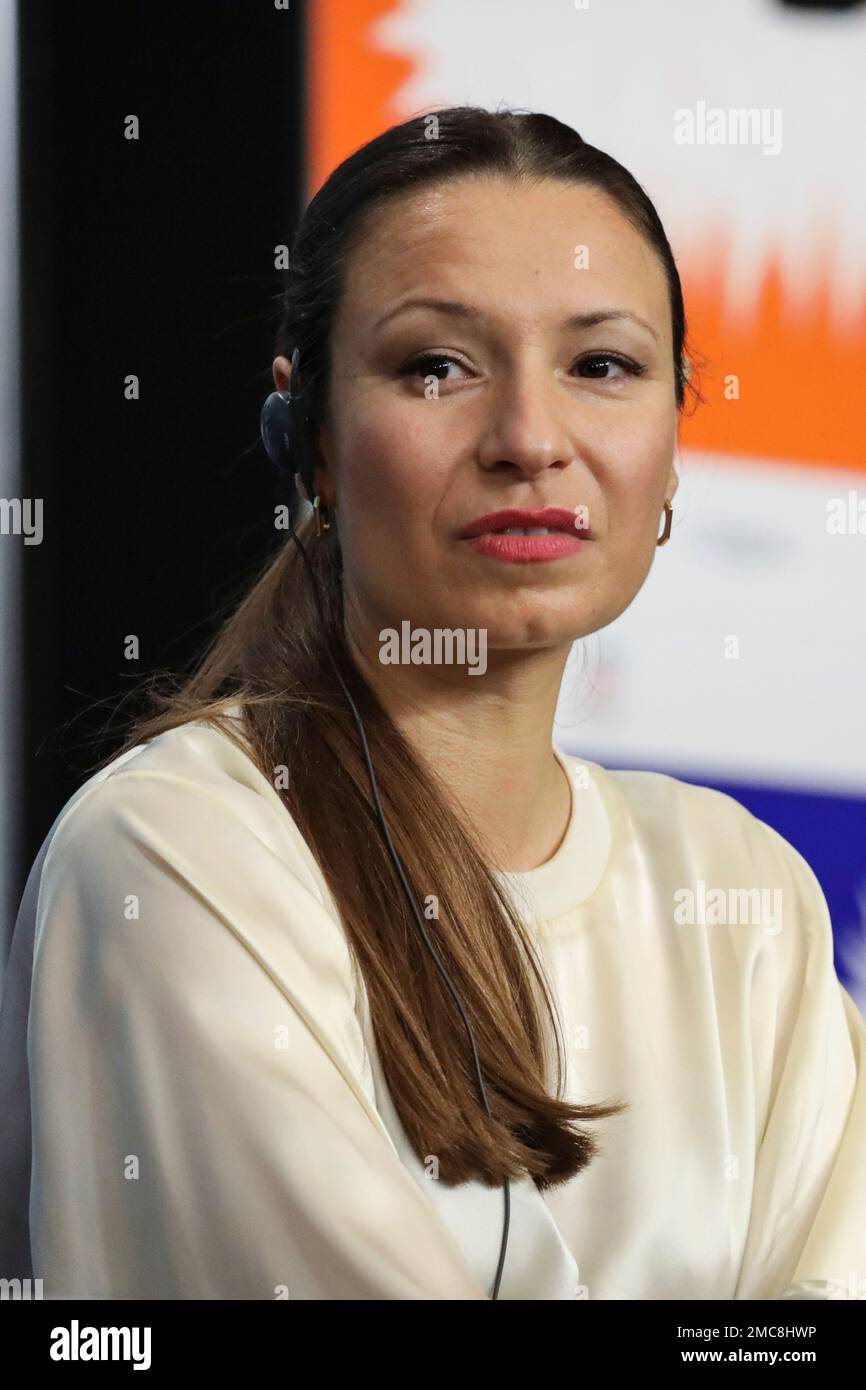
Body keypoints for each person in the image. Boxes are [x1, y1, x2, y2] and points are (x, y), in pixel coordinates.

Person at [1, 106, 864, 1301]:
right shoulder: (178, 847)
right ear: (306, 439)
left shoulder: (743, 889)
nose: (527, 438)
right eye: (436, 367)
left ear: (672, 447)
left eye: (599, 365)